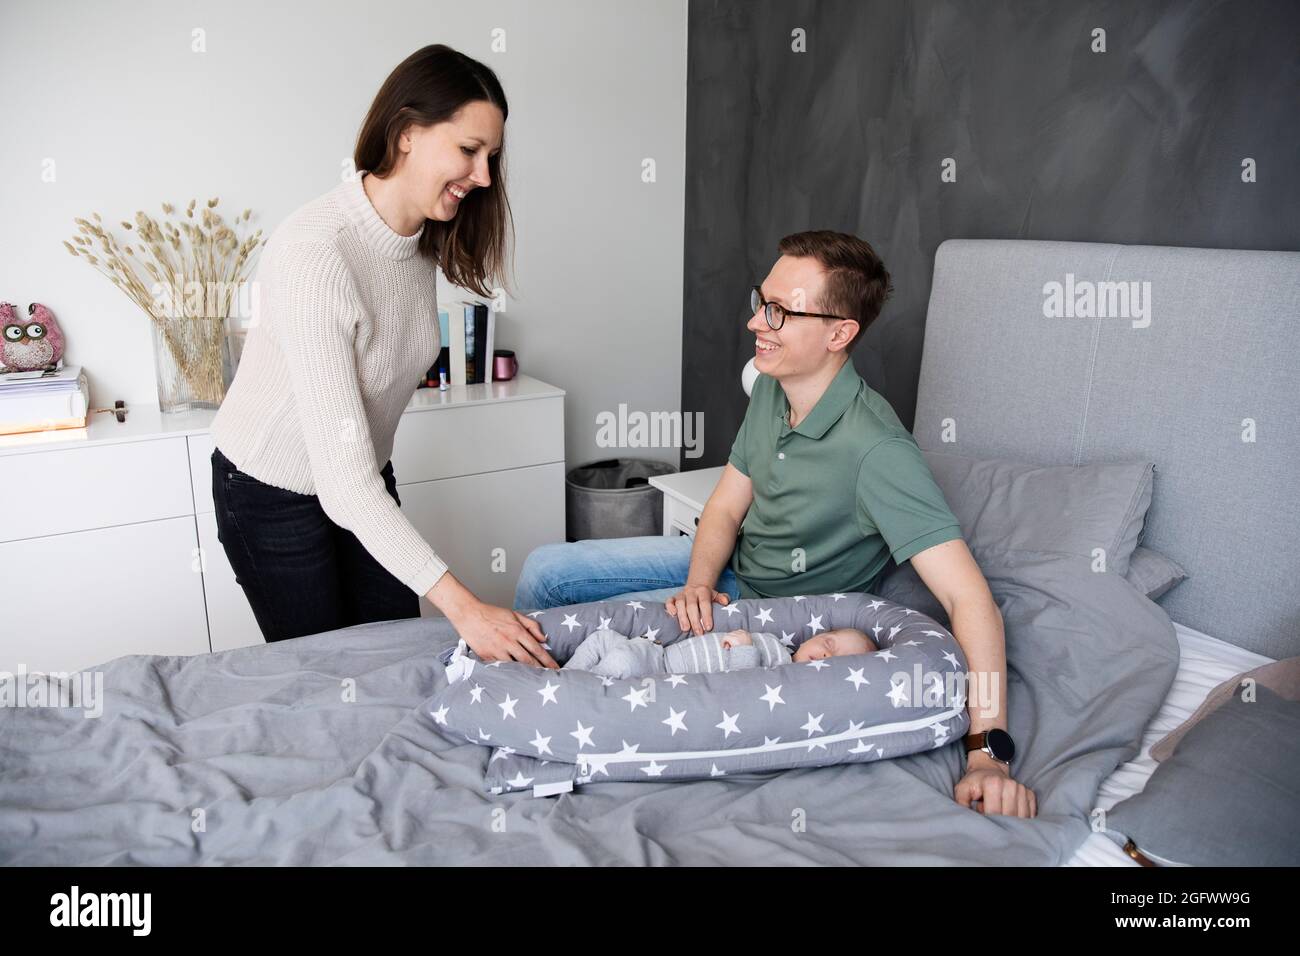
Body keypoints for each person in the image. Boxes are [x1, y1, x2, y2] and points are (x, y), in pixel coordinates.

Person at [514, 230, 1036, 817]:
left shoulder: (878, 451)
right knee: (546, 571)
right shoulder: (771, 386)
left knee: (609, 645)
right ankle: (526, 697)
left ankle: (544, 729)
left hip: (776, 614)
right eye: (761, 302)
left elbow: (971, 600)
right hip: (732, 578)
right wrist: (699, 583)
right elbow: (726, 507)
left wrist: (988, 752)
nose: (756, 323)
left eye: (781, 312)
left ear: (839, 333)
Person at [209, 44, 555, 668]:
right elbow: (340, 486)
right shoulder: (315, 253)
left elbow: (353, 479)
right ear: (405, 135)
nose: (482, 176)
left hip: (361, 478)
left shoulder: (417, 242)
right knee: (328, 676)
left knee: (396, 659)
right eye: (469, 151)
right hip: (269, 490)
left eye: (492, 157)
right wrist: (468, 608)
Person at [562, 625, 877, 678]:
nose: (825, 656)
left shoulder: (784, 674)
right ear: (818, 636)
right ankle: (564, 678)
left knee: (620, 662)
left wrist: (744, 650)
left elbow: (742, 684)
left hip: (660, 673)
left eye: (836, 662)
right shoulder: (779, 644)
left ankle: (577, 692)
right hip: (656, 651)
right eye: (829, 645)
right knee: (603, 638)